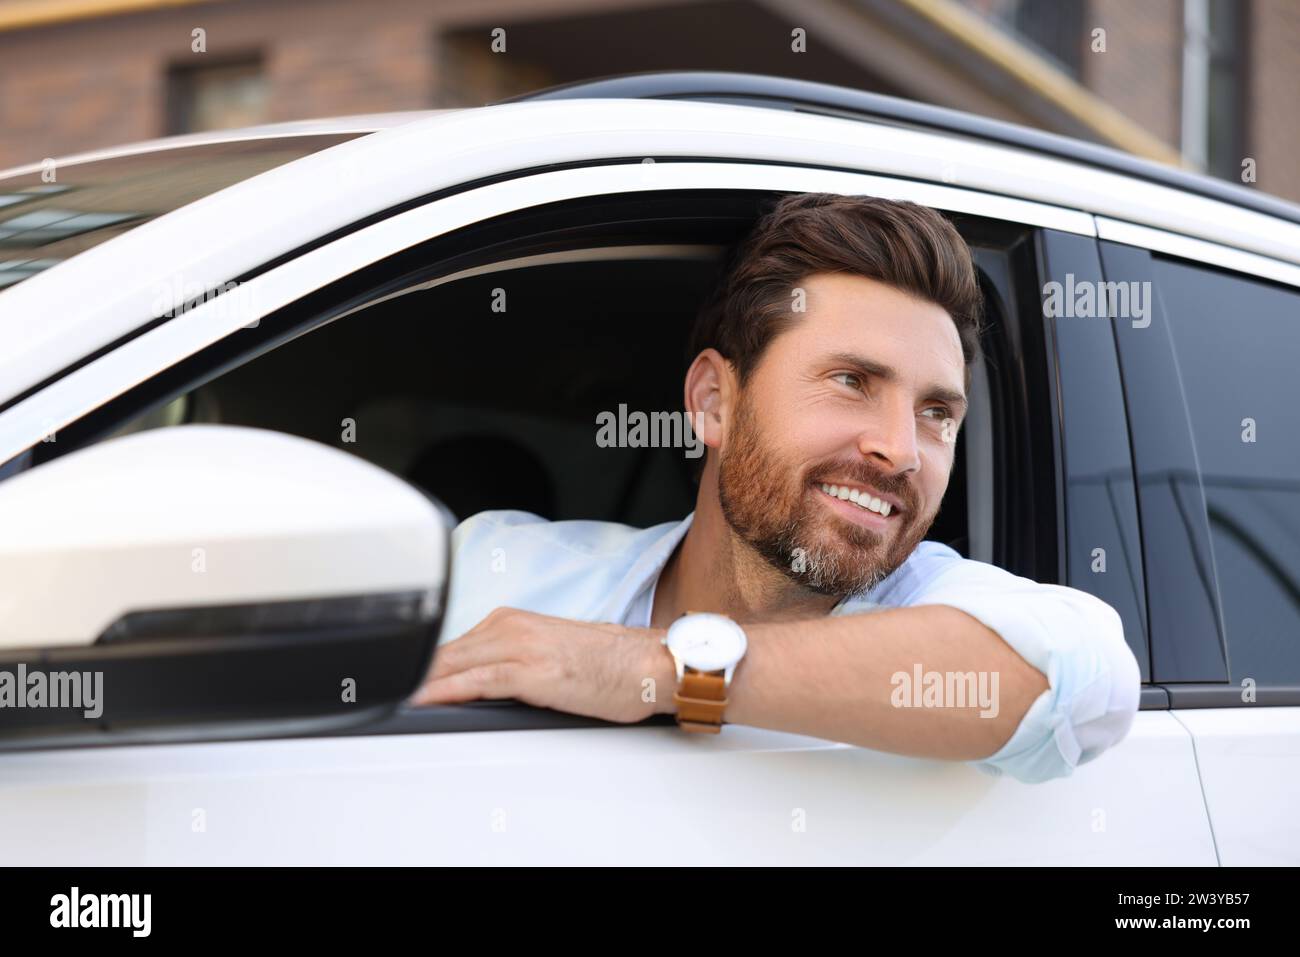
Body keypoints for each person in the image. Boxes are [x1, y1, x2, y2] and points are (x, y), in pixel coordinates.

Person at [408, 193, 1140, 784]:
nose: (901, 449)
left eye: (936, 412)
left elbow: (1082, 678)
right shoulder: (499, 569)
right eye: (852, 381)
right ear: (713, 402)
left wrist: (654, 667)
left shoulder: (950, 615)